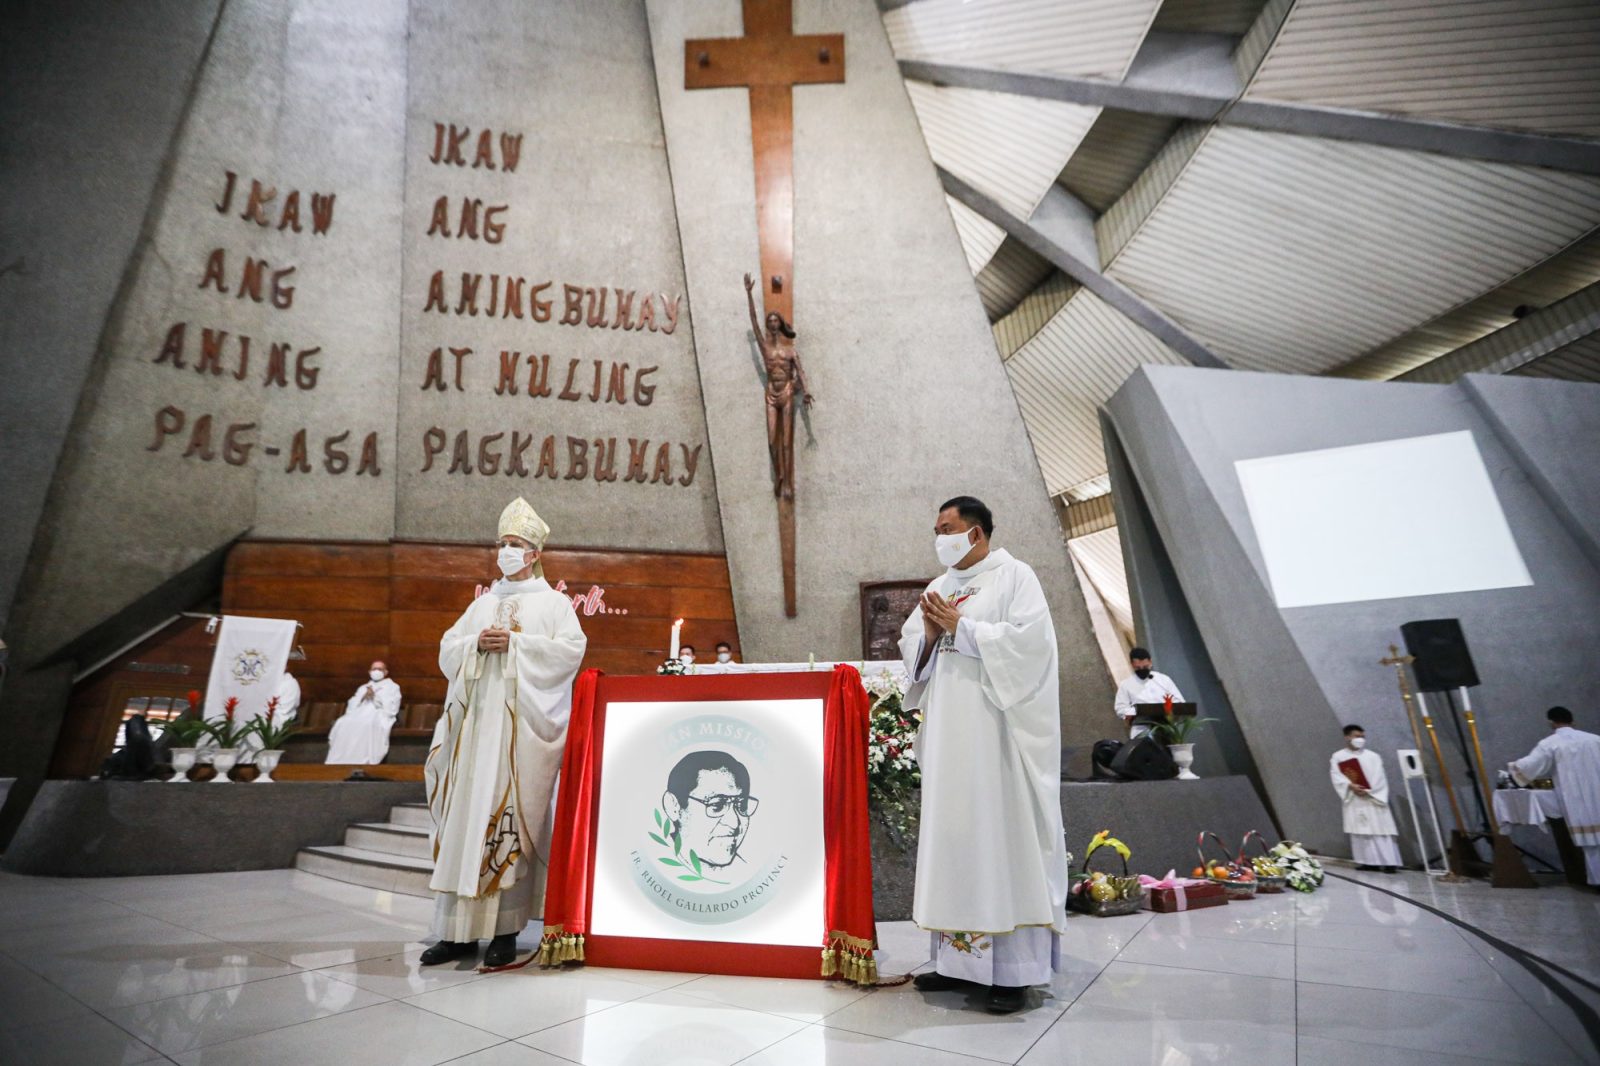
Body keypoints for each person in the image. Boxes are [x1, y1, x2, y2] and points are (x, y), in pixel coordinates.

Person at [899, 496, 1067, 1015]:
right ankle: (956, 966)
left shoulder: (1015, 576)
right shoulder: (938, 587)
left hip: (996, 738)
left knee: (998, 838)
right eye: (935, 529)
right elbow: (915, 653)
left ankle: (1013, 976)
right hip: (952, 737)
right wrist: (929, 635)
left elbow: (1031, 646)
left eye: (946, 528)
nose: (939, 537)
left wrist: (961, 628)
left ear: (975, 532)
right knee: (957, 841)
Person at [421, 498, 588, 968]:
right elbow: (447, 649)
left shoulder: (556, 605)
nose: (506, 551)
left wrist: (515, 644)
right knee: (465, 823)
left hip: (516, 741)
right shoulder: (482, 606)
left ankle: (504, 932)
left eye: (515, 545)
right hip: (475, 735)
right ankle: (454, 934)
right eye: (502, 544)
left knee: (505, 824)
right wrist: (476, 643)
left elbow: (569, 653)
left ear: (534, 553)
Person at [1509, 707, 1600, 886]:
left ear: (1551, 722)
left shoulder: (1551, 743)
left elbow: (1530, 765)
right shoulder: (1595, 739)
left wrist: (1514, 768)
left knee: (1591, 843)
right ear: (1573, 721)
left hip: (1576, 798)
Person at [661, 750, 756, 869]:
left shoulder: (747, 870)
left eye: (741, 806)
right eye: (717, 805)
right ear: (673, 807)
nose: (734, 823)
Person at [1330, 725, 1401, 873]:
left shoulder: (1373, 756)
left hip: (1373, 797)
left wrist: (1369, 790)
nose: (1360, 739)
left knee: (1380, 829)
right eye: (1357, 736)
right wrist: (1350, 786)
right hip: (1354, 798)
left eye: (1362, 736)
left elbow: (1380, 777)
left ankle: (1389, 862)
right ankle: (1367, 862)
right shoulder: (1338, 756)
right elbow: (1336, 776)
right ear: (1347, 737)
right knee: (1360, 831)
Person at [325, 661, 402, 765]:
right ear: (369, 672)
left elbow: (391, 707)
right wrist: (363, 696)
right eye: (374, 669)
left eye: (380, 669)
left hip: (378, 713)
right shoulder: (363, 687)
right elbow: (352, 704)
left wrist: (375, 696)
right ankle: (341, 759)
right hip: (360, 712)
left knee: (367, 724)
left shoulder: (392, 687)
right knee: (343, 722)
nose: (376, 671)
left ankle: (362, 759)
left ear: (386, 672)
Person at [1113, 647, 1184, 739]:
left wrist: (1165, 708)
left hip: (1167, 728)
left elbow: (1179, 701)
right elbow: (1120, 708)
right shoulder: (1126, 685)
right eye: (1138, 668)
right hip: (1141, 731)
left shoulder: (1163, 680)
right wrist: (1139, 710)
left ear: (1150, 662)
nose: (1142, 670)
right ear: (1132, 664)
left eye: (1145, 667)